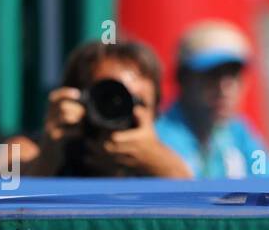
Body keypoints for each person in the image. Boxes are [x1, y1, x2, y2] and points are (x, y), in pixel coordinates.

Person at [24, 39, 191, 178]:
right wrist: (49, 155)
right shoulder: (29, 150)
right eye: (109, 98)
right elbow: (11, 191)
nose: (122, 110)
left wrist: (158, 162)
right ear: (76, 98)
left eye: (137, 101)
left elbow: (191, 197)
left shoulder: (167, 161)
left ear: (155, 113)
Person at [154, 20, 269, 180]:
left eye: (233, 74)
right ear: (183, 79)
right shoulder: (158, 136)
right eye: (212, 74)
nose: (224, 89)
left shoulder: (239, 131)